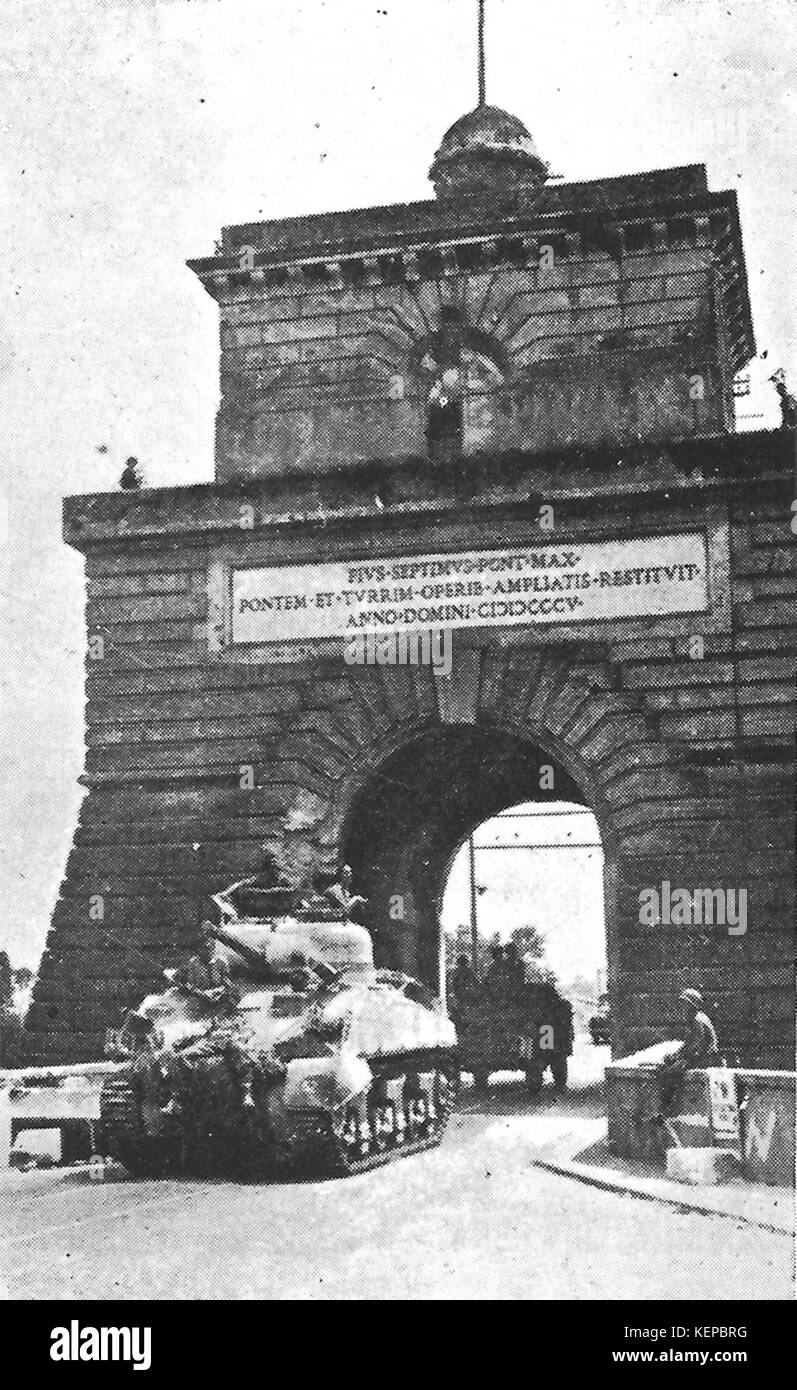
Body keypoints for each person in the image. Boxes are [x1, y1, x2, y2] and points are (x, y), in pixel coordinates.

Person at [655, 988, 720, 1119]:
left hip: (706, 1059)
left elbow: (695, 1045)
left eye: (686, 1004)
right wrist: (675, 1055)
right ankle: (666, 1108)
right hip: (702, 1057)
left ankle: (667, 1111)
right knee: (669, 1066)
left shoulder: (697, 1020)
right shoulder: (696, 1018)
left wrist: (679, 1057)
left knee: (671, 1072)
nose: (683, 1007)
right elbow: (688, 1043)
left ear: (692, 1005)